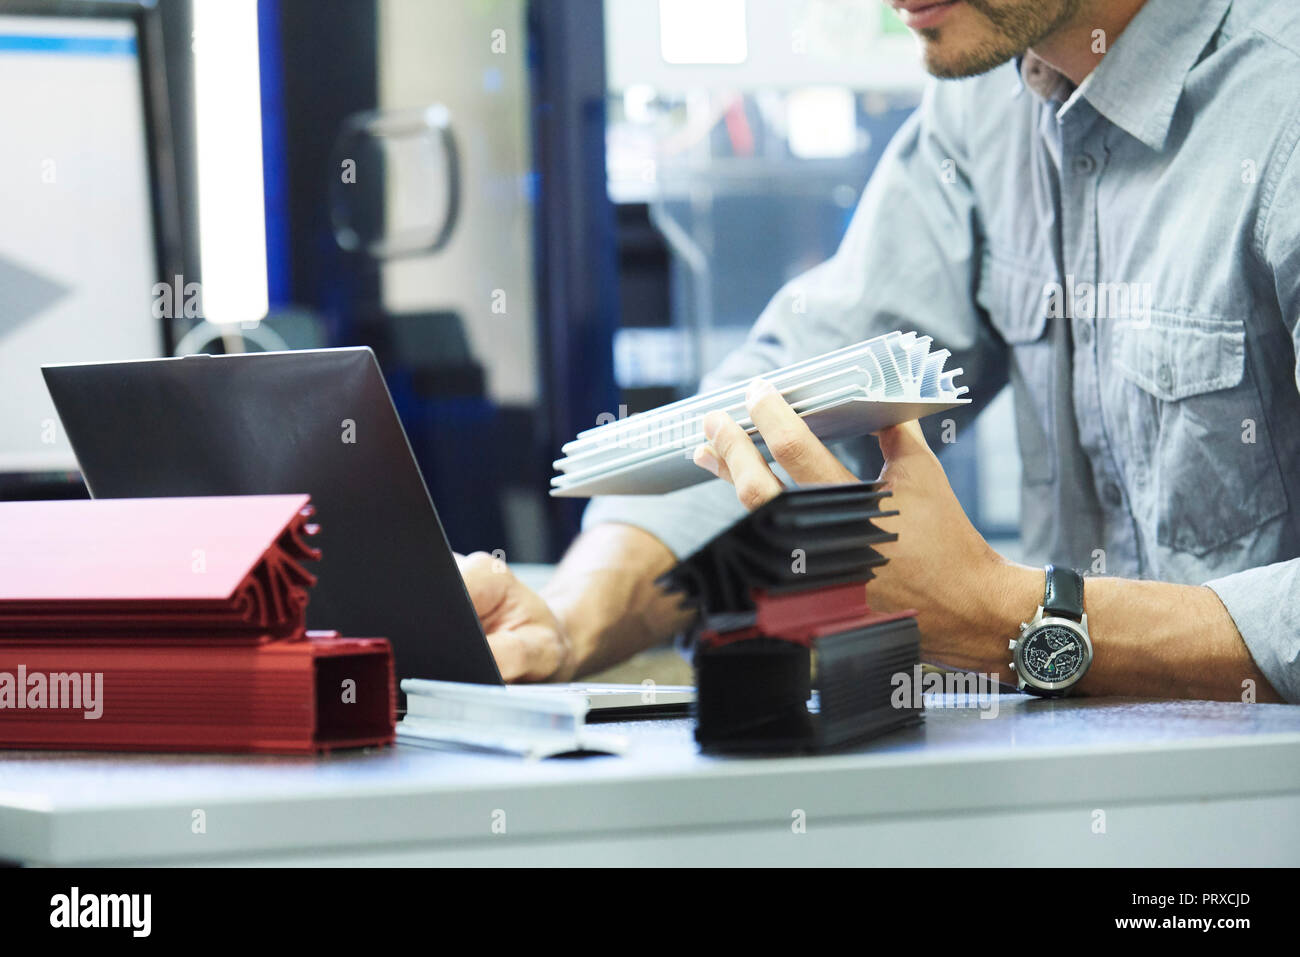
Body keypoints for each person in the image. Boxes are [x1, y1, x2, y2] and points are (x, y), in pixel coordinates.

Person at [458, 0, 1300, 703]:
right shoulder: (987, 103)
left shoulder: (1281, 103)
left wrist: (1008, 615)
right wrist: (569, 617)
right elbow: (789, 392)